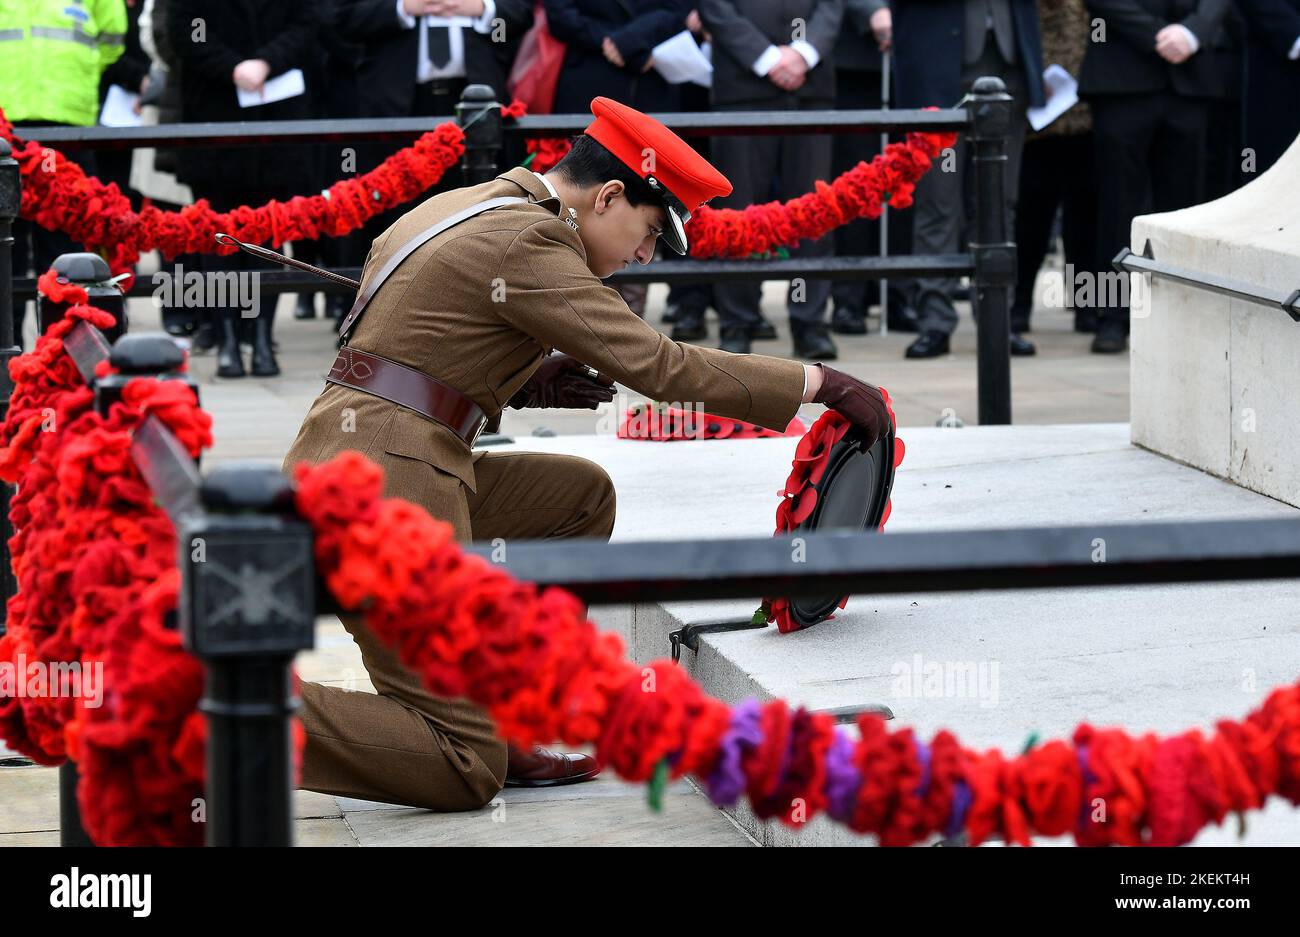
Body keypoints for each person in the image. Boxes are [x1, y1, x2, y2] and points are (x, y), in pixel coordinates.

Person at [281, 96, 893, 809]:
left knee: (577, 501)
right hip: (387, 489)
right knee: (462, 765)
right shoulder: (533, 243)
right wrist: (817, 381)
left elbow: (416, 330)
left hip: (362, 456)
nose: (642, 256)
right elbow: (660, 366)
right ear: (607, 195)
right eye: (649, 232)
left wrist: (524, 379)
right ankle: (223, 705)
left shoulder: (475, 202)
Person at [891, 0, 1044, 359]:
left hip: (1009, 65)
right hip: (938, 66)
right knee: (938, 204)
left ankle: (998, 322)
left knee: (1001, 203)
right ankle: (935, 322)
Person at [1080, 0, 1229, 353]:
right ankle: (1113, 314)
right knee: (1118, 205)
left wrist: (1193, 32)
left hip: (1190, 81)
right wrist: (1159, 36)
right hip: (1121, 77)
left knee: (1184, 211)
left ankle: (1180, 311)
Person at [700, 0, 845, 360]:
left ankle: (810, 322)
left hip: (811, 90)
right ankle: (738, 321)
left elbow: (833, 7)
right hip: (741, 89)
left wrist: (804, 54)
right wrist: (765, 59)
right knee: (738, 212)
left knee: (815, 211)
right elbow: (714, 7)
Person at [1, 0, 126, 346]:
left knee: (64, 248)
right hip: (6, 129)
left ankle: (61, 352)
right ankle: (9, 359)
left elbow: (112, 39)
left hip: (67, 126)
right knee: (5, 247)